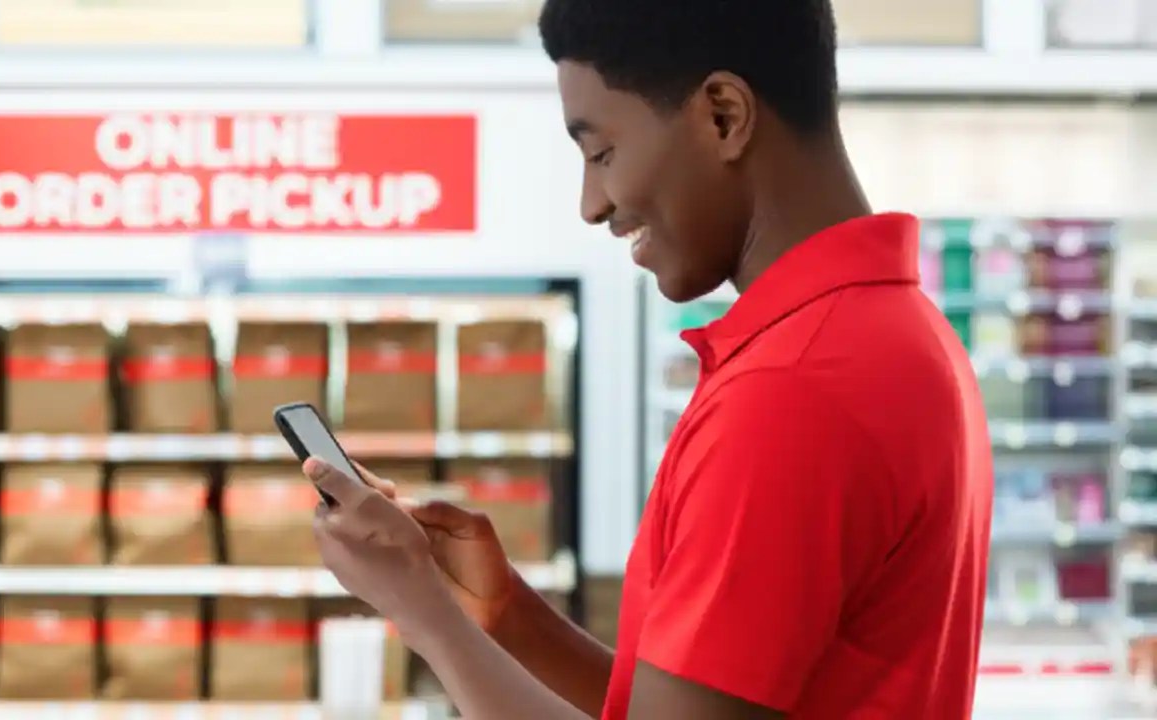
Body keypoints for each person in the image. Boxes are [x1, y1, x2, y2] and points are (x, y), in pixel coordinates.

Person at [302, 0, 995, 718]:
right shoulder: (896, 334)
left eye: (601, 153)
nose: (591, 203)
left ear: (723, 115)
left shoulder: (790, 393)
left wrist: (424, 618)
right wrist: (509, 616)